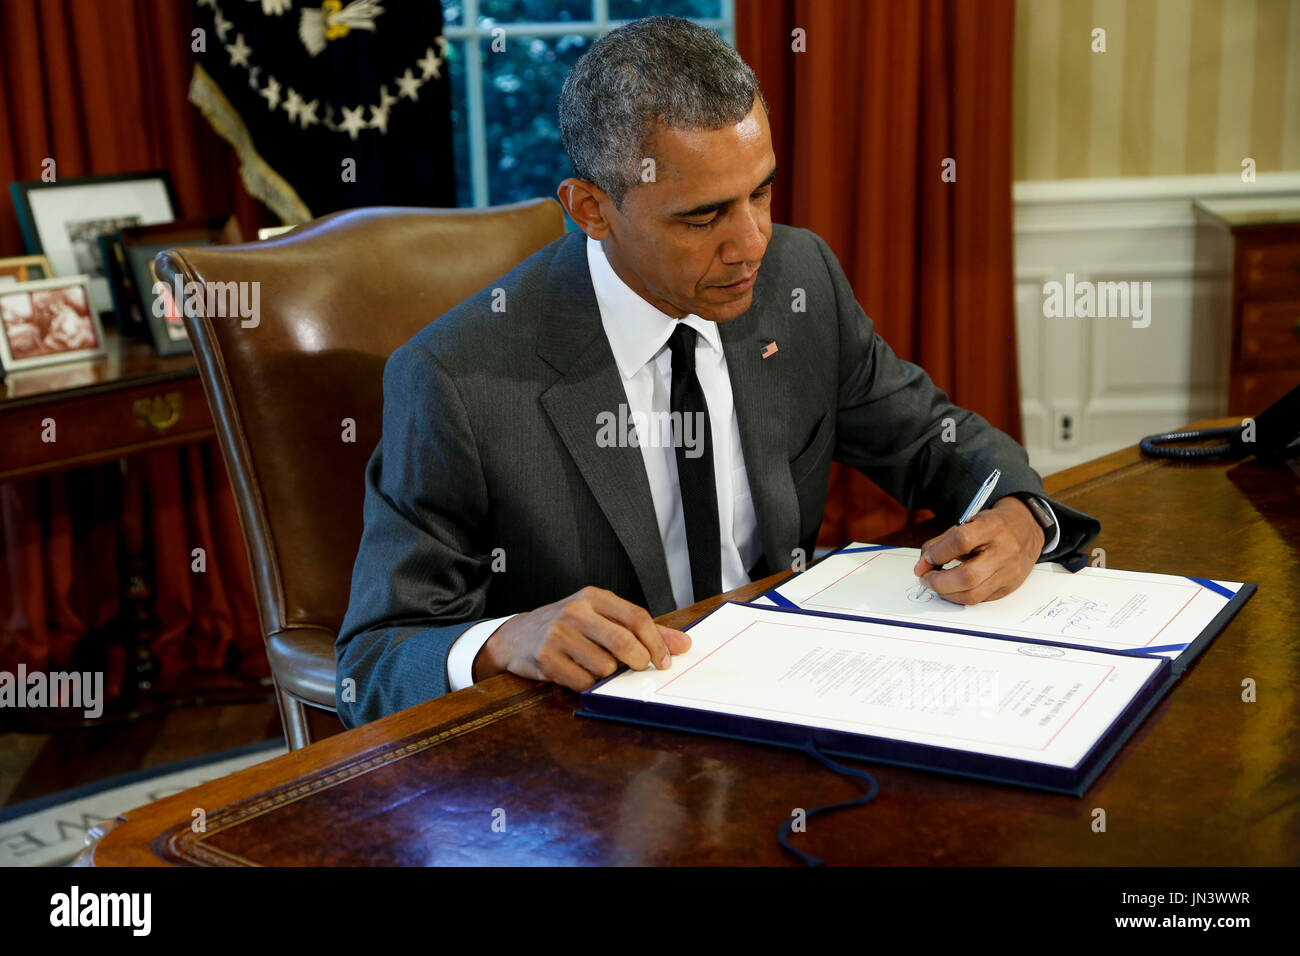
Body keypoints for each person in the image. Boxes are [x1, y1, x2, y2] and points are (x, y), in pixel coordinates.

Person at [335, 16, 1099, 728]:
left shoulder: (799, 281)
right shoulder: (456, 380)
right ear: (592, 209)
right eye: (703, 216)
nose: (752, 242)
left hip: (794, 696)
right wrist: (505, 641)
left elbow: (934, 441)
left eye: (761, 191)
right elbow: (371, 661)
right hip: (591, 756)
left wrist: (1024, 515)